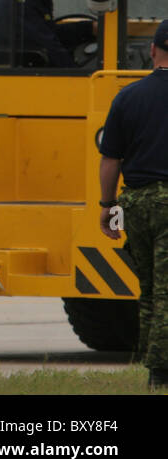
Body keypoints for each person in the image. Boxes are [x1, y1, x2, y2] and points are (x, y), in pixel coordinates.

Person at [98, 19, 168, 389]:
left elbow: (111, 159)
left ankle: (152, 365)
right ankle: (160, 370)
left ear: (153, 51)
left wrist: (107, 205)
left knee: (150, 290)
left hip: (137, 203)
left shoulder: (127, 96)